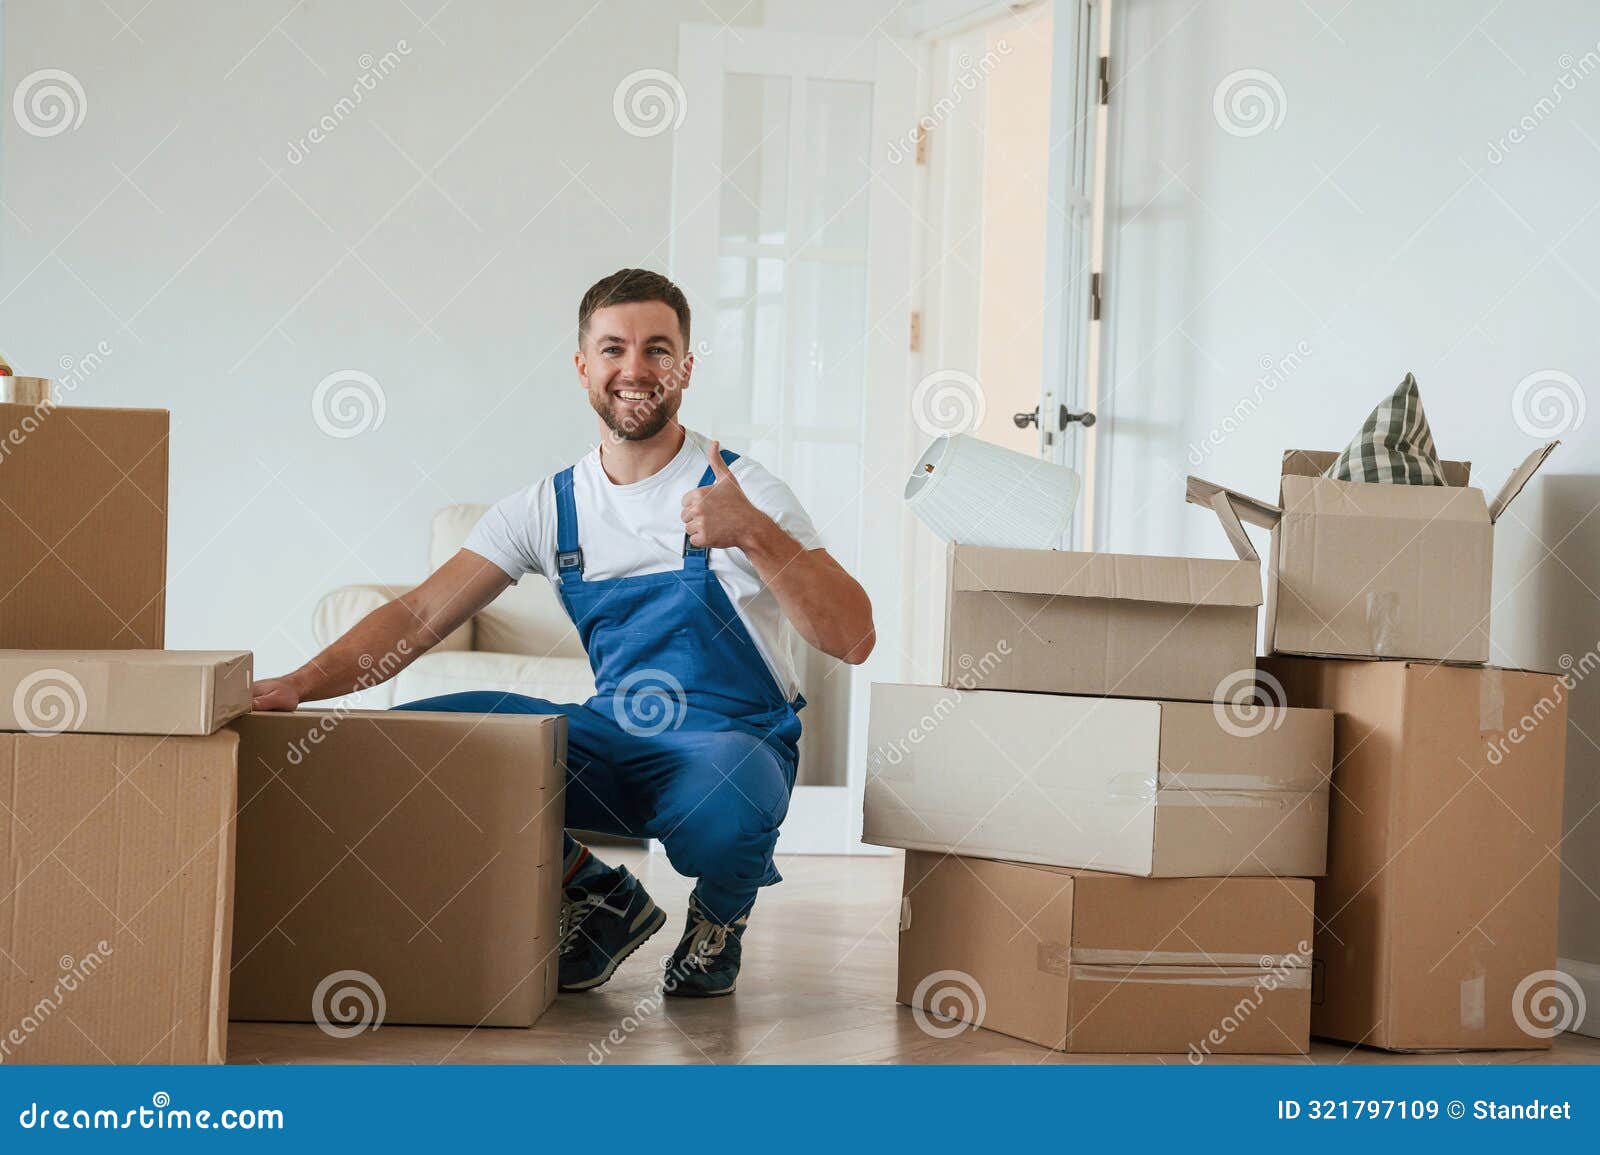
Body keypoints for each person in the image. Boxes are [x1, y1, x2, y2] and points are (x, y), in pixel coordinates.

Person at [250, 268, 876, 998]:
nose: (634, 369)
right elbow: (420, 615)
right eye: (613, 349)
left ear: (687, 368)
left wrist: (756, 534)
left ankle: (718, 919)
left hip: (731, 744)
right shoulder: (549, 507)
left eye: (657, 350)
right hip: (614, 736)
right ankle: (601, 896)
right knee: (409, 748)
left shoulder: (744, 487)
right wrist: (299, 682)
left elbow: (853, 637)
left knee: (727, 813)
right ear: (584, 367)